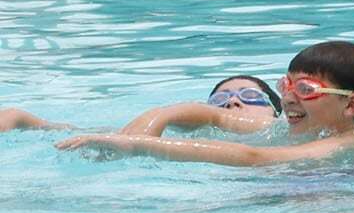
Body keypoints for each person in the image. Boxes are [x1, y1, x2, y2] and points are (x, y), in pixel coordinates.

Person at [53, 41, 354, 168]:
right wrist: (158, 118)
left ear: (351, 104)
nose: (287, 96)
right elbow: (210, 115)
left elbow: (254, 158)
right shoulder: (285, 128)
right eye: (286, 84)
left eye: (305, 89)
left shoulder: (348, 143)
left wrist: (137, 146)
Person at [4, 73, 280, 138]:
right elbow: (79, 131)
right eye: (219, 99)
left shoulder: (275, 129)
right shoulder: (184, 134)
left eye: (249, 95)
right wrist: (26, 122)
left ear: (277, 110)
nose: (233, 101)